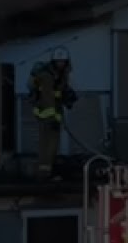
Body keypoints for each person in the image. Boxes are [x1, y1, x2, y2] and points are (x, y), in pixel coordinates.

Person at [28, 49, 77, 180]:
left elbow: (59, 91)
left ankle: (48, 170)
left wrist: (68, 97)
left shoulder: (61, 75)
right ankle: (44, 173)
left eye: (63, 61)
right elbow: (47, 97)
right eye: (58, 61)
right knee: (47, 144)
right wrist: (52, 118)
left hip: (55, 113)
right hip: (46, 114)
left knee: (53, 144)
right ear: (53, 62)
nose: (61, 64)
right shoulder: (47, 76)